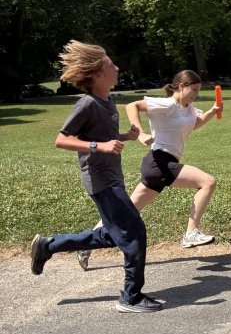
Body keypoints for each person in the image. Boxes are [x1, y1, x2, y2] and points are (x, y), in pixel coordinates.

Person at [29, 41, 162, 313]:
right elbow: (61, 139)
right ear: (97, 74)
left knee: (113, 236)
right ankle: (130, 297)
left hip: (112, 175)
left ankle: (48, 246)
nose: (117, 67)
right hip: (101, 180)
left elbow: (103, 135)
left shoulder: (107, 100)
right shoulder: (87, 103)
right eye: (111, 64)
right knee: (134, 232)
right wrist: (97, 147)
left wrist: (123, 137)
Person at [76, 70, 221, 270]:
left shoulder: (188, 108)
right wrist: (141, 133)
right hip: (159, 161)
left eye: (198, 90)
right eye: (194, 89)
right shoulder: (167, 104)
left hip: (159, 166)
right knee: (207, 182)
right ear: (181, 86)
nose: (197, 93)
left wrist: (212, 112)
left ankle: (85, 244)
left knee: (125, 215)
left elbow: (194, 123)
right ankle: (191, 233)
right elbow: (132, 105)